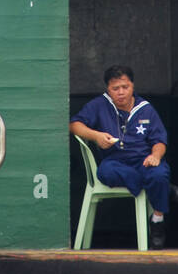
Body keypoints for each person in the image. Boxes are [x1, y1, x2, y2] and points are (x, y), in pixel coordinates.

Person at [70, 64, 170, 248]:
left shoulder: (145, 108)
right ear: (108, 89)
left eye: (125, 87)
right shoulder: (100, 105)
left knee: (158, 172)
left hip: (144, 161)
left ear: (133, 86)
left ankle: (157, 221)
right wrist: (96, 136)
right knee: (105, 172)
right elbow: (74, 125)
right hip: (115, 162)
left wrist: (155, 156)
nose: (121, 92)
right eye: (115, 88)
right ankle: (164, 189)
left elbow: (160, 141)